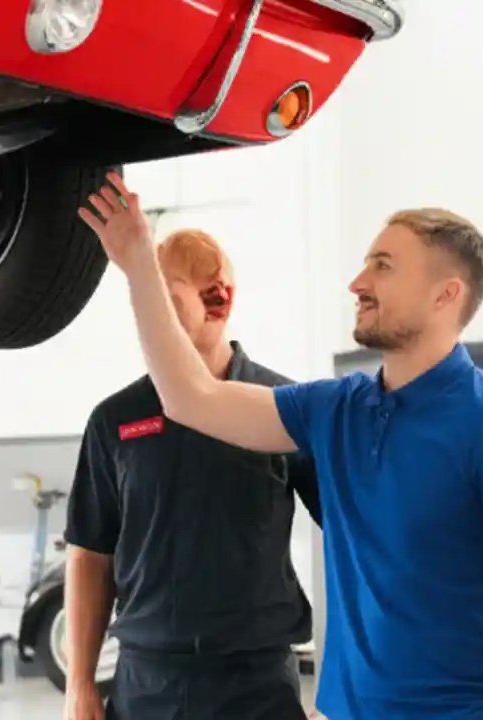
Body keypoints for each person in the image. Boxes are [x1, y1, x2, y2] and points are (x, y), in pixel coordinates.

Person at [76, 173, 483, 720]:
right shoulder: (333, 410)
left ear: (446, 293)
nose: (358, 282)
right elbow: (189, 397)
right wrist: (137, 264)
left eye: (383, 266)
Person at [62, 228, 323, 720]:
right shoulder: (115, 420)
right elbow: (89, 554)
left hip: (257, 683)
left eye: (163, 295)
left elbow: (352, 535)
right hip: (147, 684)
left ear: (217, 299)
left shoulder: (284, 408)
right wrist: (79, 684)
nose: (150, 313)